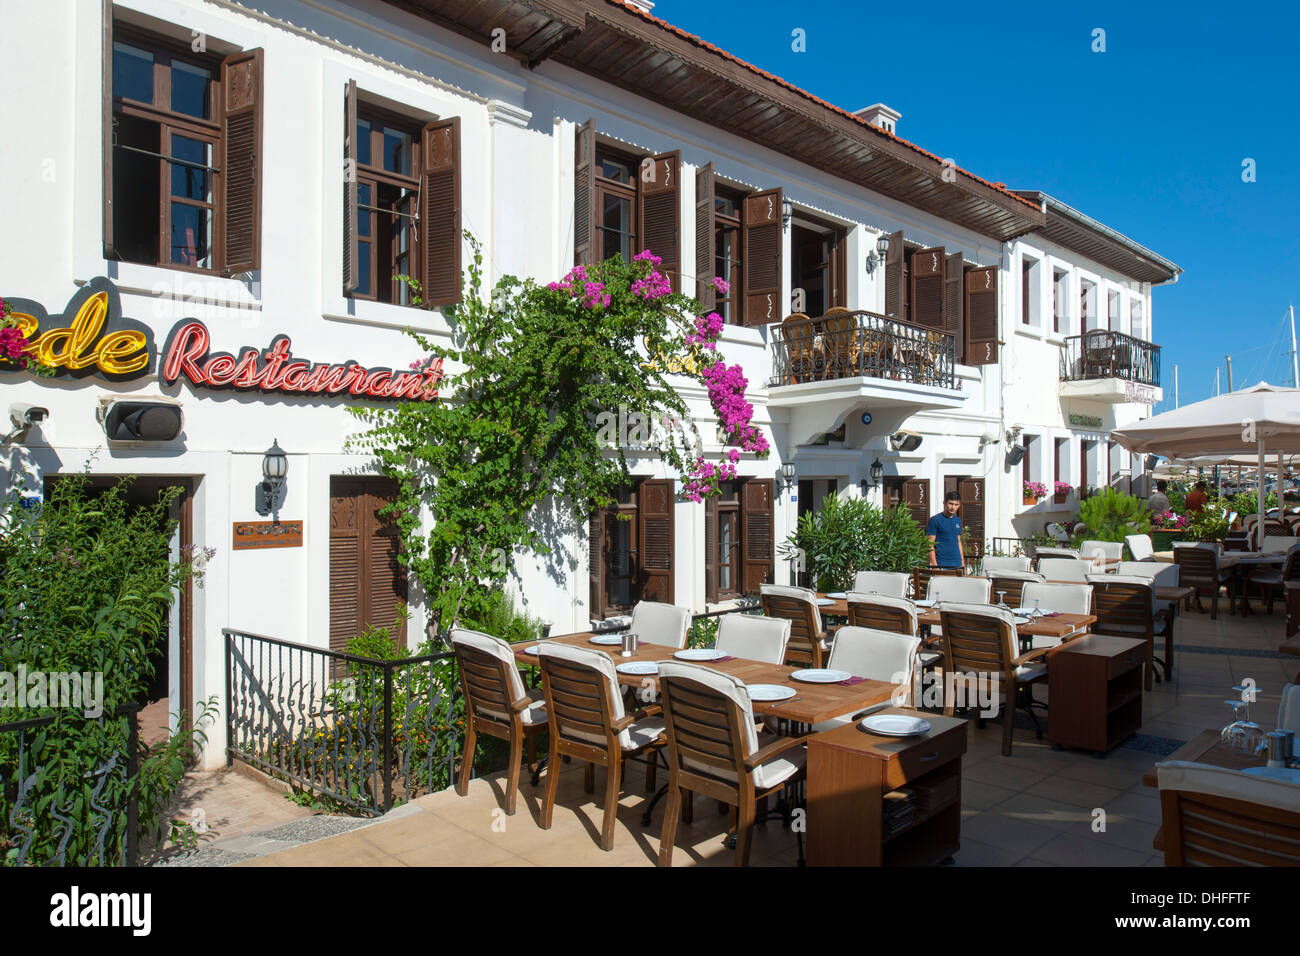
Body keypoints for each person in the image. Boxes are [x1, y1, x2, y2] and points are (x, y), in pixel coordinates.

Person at [926, 491, 965, 570]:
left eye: (956, 505)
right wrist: (935, 566)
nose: (953, 507)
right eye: (950, 504)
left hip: (957, 564)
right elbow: (930, 544)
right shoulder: (935, 520)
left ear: (959, 505)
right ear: (944, 503)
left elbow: (958, 542)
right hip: (942, 564)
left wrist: (963, 564)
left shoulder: (957, 520)